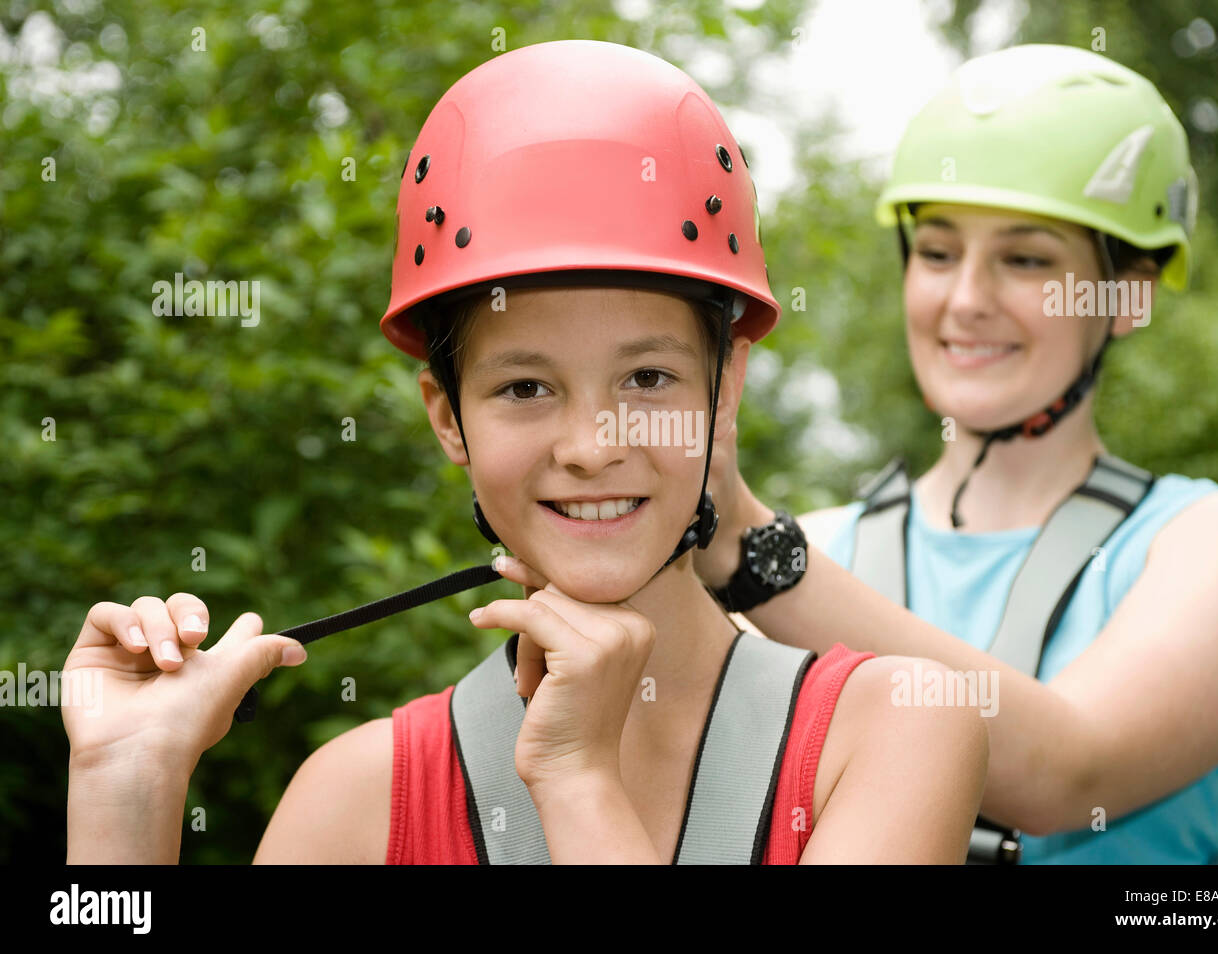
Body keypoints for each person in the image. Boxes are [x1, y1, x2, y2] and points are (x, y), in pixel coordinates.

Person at [62, 39, 987, 865]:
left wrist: (577, 780)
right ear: (447, 417)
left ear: (727, 387)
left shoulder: (896, 732)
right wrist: (125, 790)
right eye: (525, 389)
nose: (590, 447)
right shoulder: (355, 804)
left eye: (649, 379)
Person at [655, 43, 1218, 864]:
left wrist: (747, 544)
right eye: (938, 252)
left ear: (1128, 293)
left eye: (1026, 260)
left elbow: (1071, 772)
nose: (966, 300)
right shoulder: (814, 545)